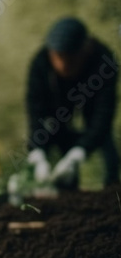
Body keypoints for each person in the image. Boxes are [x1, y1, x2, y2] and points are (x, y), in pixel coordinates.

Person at [25, 17, 118, 191]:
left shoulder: (105, 62)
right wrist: (37, 152)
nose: (62, 65)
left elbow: (103, 114)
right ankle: (66, 190)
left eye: (69, 58)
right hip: (58, 105)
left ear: (85, 50)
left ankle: (113, 190)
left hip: (91, 98)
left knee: (105, 140)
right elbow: (35, 109)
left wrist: (78, 153)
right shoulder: (40, 62)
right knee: (55, 131)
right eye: (58, 57)